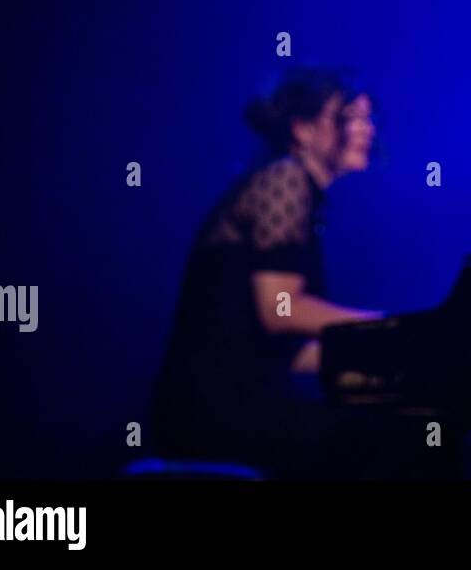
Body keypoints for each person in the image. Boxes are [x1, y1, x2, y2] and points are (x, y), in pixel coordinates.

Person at [149, 67, 386, 478]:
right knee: (378, 445)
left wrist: (391, 362)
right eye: (350, 117)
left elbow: (288, 351)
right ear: (303, 129)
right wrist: (384, 329)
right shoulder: (285, 179)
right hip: (213, 406)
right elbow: (280, 311)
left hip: (229, 398)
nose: (366, 129)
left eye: (368, 118)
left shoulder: (298, 193)